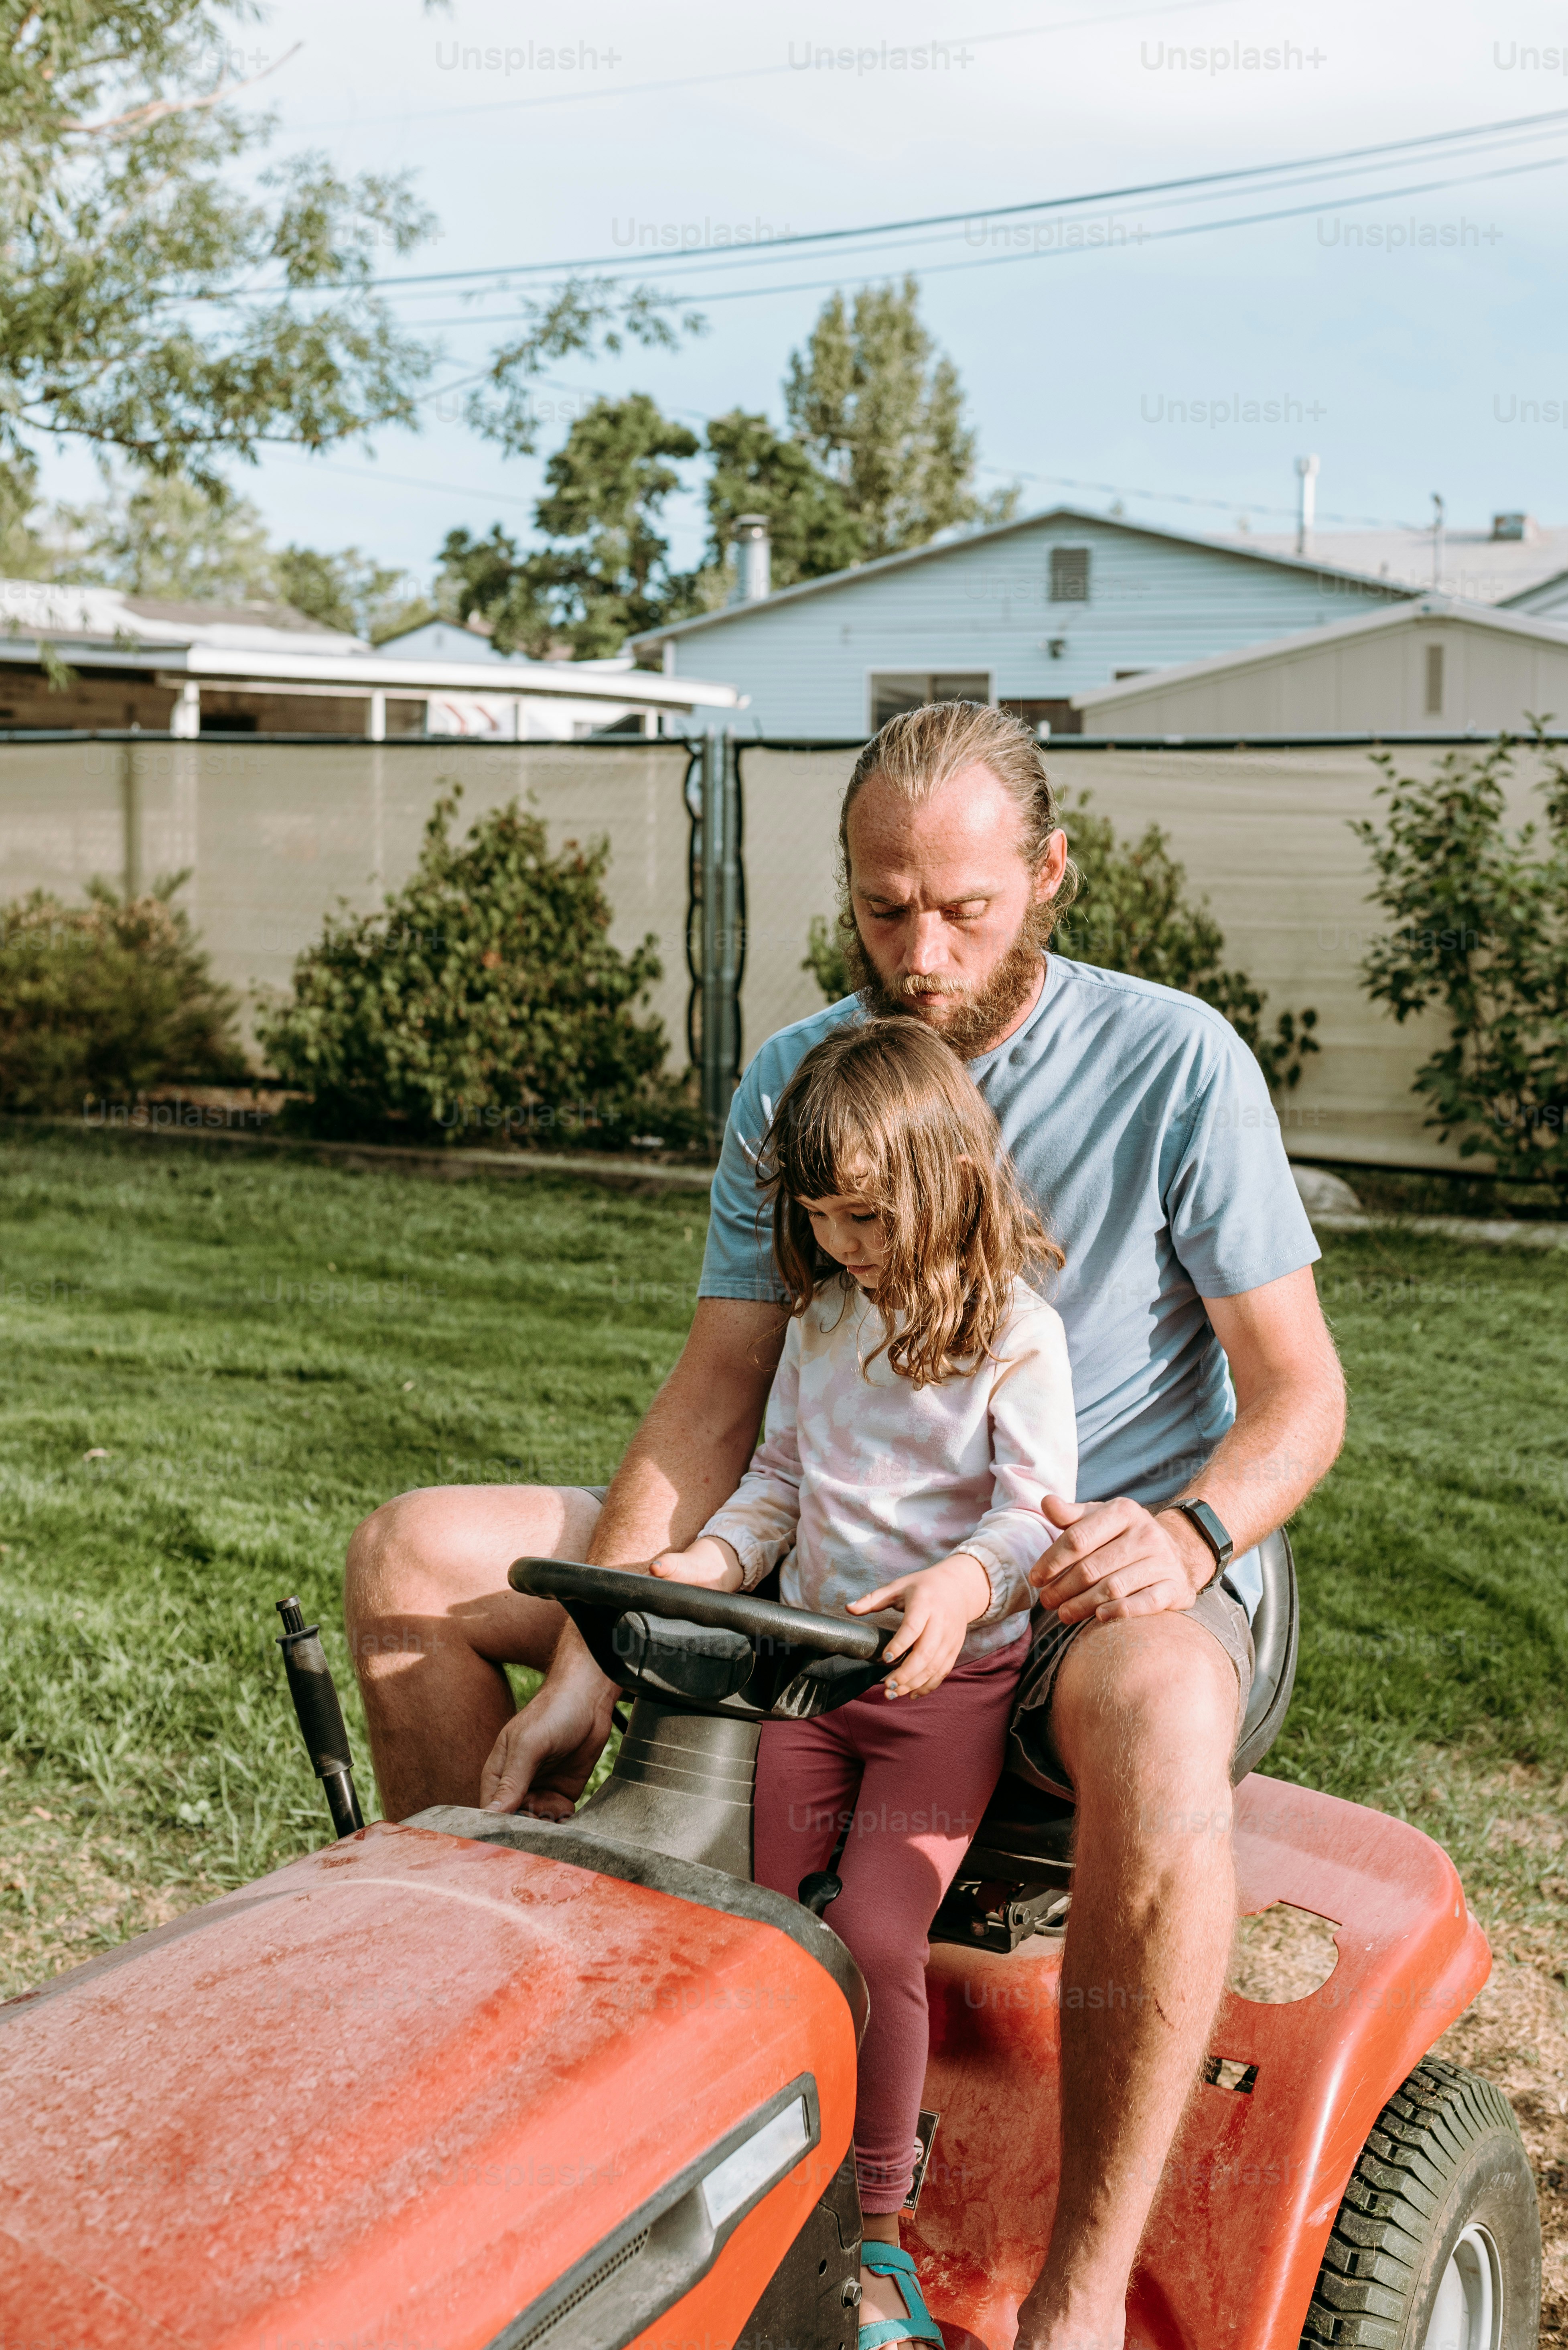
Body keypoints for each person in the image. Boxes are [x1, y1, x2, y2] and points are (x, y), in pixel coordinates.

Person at [345, 700, 1346, 2350]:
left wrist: (1186, 1532)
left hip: (1083, 1572)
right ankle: (518, 2130)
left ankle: (1076, 2304)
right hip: (828, 1530)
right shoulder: (797, 1077)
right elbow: (723, 1384)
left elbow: (1300, 1396)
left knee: (1164, 1706)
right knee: (414, 1560)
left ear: (1050, 874)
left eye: (965, 907)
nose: (923, 949)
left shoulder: (1176, 1064)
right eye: (886, 907)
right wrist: (601, 1644)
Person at [651, 1014, 1077, 2348]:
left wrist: (960, 1585)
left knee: (879, 1936)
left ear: (949, 1176)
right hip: (810, 1686)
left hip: (941, 1697)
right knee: (778, 1935)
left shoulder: (1018, 1335)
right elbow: (780, 1478)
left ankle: (879, 2231)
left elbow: (1029, 1517)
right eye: (825, 1217)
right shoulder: (825, 1315)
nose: (845, 1244)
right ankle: (776, 2184)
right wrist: (712, 1553)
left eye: (870, 1217)